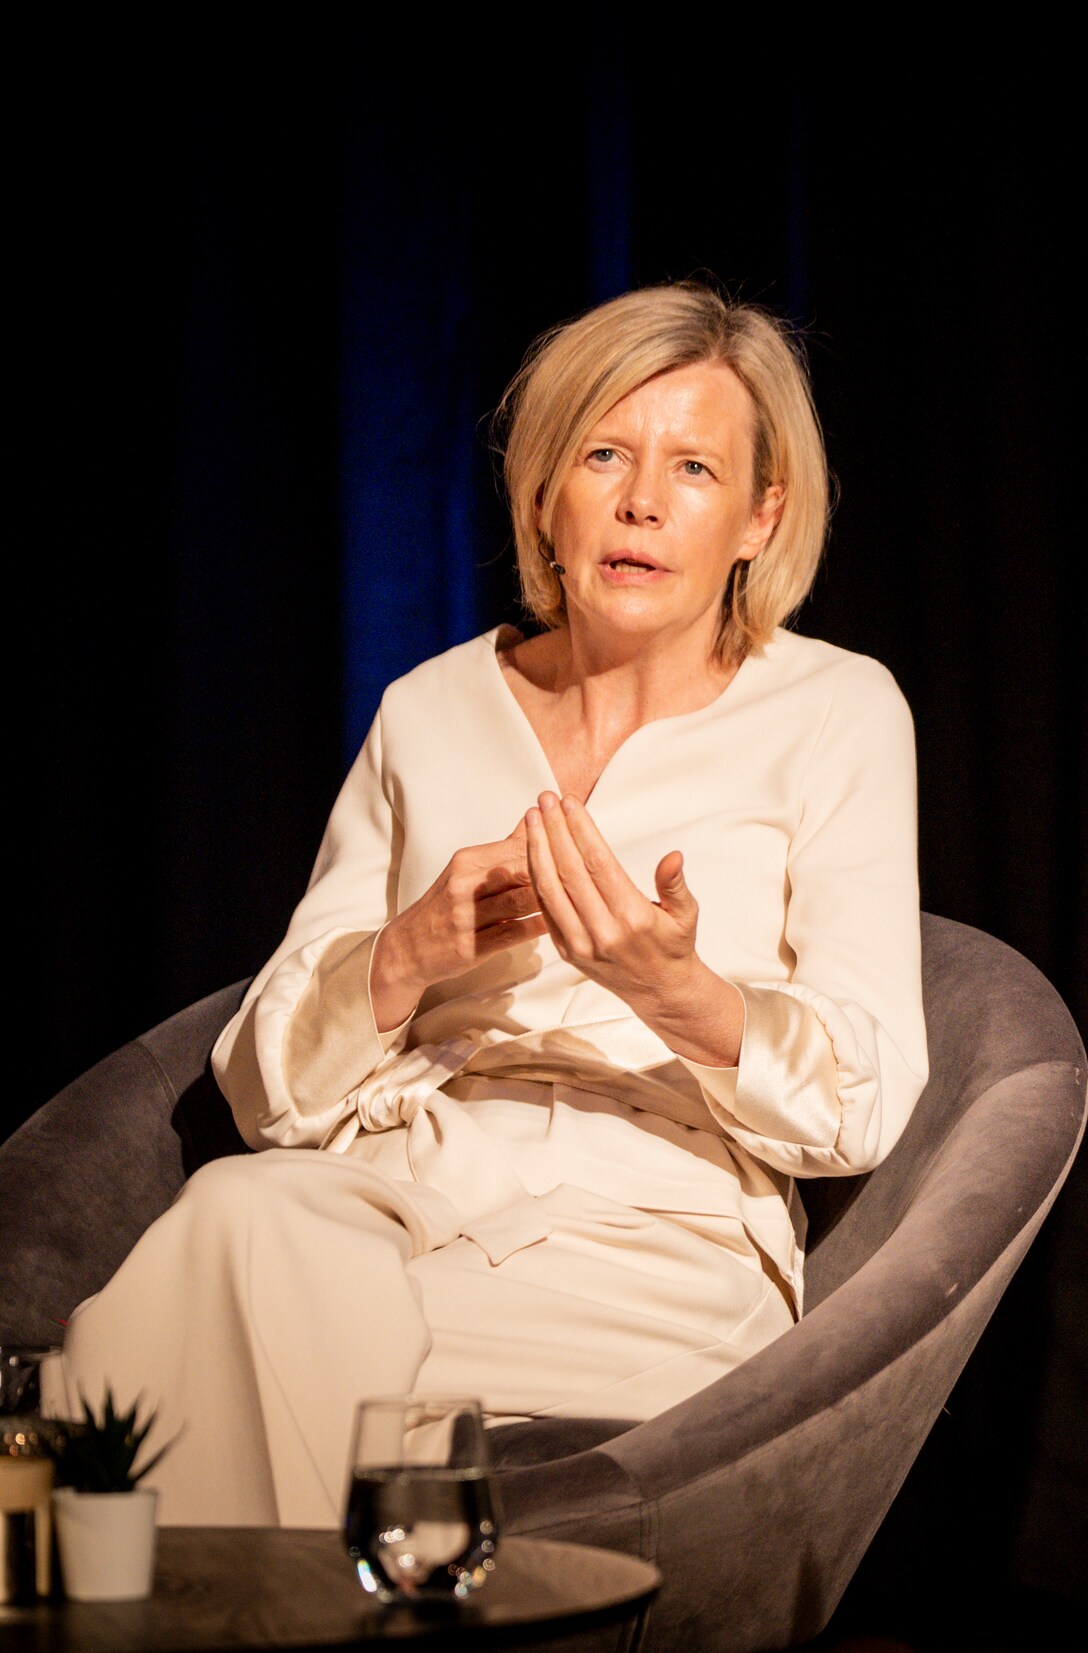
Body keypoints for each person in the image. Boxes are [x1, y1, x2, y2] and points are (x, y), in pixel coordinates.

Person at [52, 283, 927, 1527]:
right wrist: (407, 954)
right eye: (604, 454)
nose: (639, 501)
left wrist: (669, 985)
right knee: (237, 1220)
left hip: (645, 1232)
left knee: (255, 1364)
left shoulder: (837, 711)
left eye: (692, 468)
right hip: (401, 1188)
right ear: (542, 497)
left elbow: (868, 1095)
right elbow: (263, 1088)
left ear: (757, 516)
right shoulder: (430, 707)